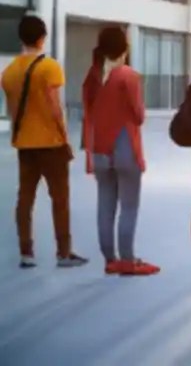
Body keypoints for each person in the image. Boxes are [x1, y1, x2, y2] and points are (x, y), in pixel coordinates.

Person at [5, 15, 87, 269]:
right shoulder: (49, 67)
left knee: (25, 198)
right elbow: (54, 107)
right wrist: (64, 136)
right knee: (59, 199)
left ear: (21, 37)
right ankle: (63, 253)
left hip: (24, 143)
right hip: (50, 143)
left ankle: (26, 252)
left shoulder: (8, 72)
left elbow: (11, 110)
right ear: (42, 38)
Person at [82, 25, 158, 276]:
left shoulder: (92, 77)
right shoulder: (128, 76)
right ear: (125, 48)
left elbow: (89, 111)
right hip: (125, 147)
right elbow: (139, 116)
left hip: (100, 148)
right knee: (129, 205)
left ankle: (109, 259)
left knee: (105, 204)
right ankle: (127, 259)